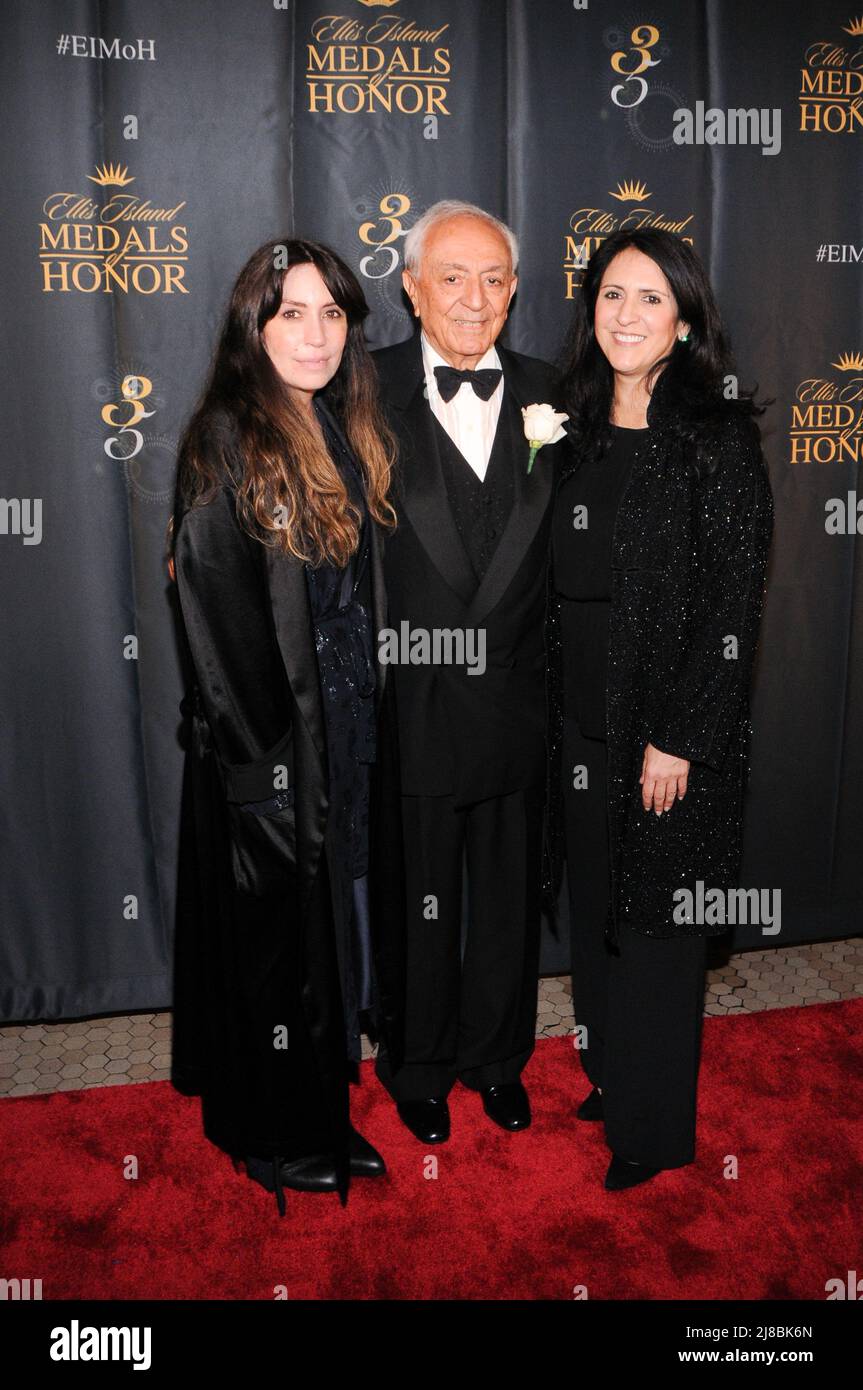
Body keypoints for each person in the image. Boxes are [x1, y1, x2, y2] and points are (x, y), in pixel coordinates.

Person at [168, 237, 405, 1213]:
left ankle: (316, 1105)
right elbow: (220, 646)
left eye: (331, 313)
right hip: (267, 759)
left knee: (323, 945)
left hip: (338, 739)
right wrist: (267, 786)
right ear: (251, 326)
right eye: (290, 313)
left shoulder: (334, 427)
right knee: (275, 951)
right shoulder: (227, 440)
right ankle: (270, 1133)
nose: (314, 334)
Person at [547, 227, 773, 1191]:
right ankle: (608, 1069)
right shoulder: (571, 425)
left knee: (657, 931)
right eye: (609, 295)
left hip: (665, 736)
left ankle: (650, 1132)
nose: (624, 314)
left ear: (682, 321)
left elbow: (734, 605)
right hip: (575, 725)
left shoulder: (714, 437)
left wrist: (677, 738)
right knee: (600, 912)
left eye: (648, 298)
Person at [372, 200, 568, 1142]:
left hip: (520, 706)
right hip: (410, 704)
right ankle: (416, 1066)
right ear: (411, 289)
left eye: (493, 278)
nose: (472, 297)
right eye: (450, 276)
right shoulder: (356, 392)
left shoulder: (555, 391)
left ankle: (498, 1057)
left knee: (503, 898)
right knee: (418, 893)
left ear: (516, 289)